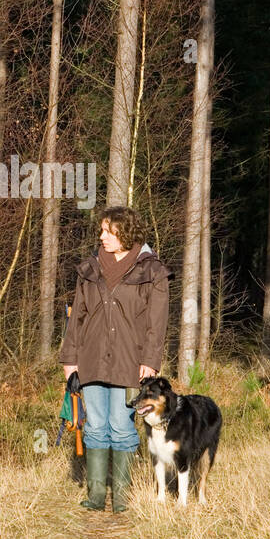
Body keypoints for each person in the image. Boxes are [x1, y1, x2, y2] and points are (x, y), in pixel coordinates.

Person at [58, 205, 171, 512]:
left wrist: (150, 361)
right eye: (102, 230)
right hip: (91, 358)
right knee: (94, 426)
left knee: (121, 428)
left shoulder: (152, 271)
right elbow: (76, 318)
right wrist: (71, 362)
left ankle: (121, 497)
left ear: (126, 233)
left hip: (130, 362)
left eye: (109, 230)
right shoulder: (89, 269)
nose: (102, 236)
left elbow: (156, 324)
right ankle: (96, 495)